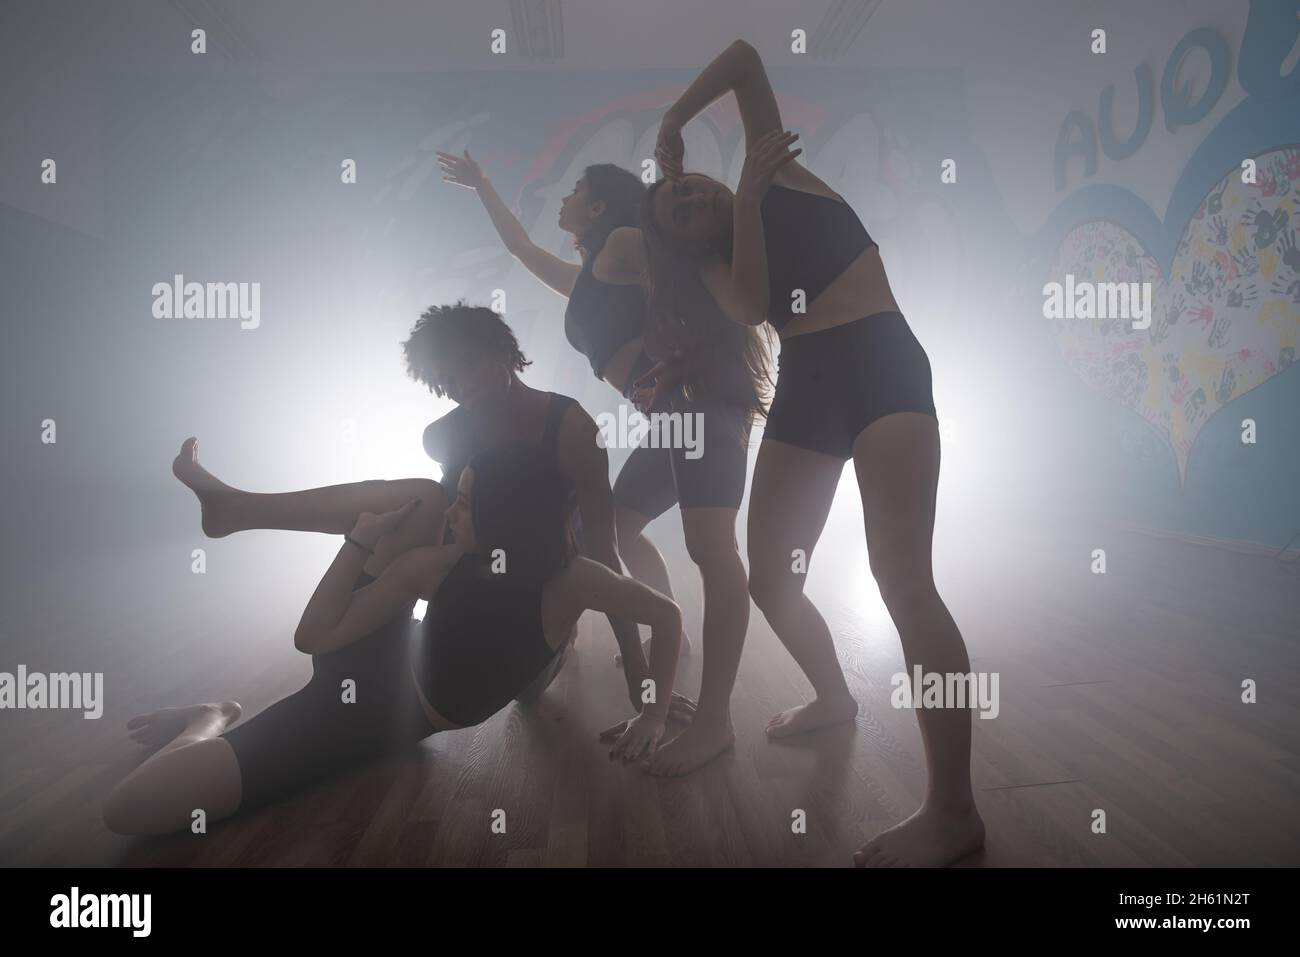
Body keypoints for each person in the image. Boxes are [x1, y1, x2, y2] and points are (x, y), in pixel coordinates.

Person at [638, 39, 984, 866]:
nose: (687, 201)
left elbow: (746, 58)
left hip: (880, 359)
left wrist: (673, 121)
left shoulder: (774, 164)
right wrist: (745, 204)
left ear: (706, 174)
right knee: (772, 580)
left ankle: (954, 810)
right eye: (677, 213)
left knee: (903, 579)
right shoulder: (728, 256)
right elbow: (757, 305)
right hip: (807, 385)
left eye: (686, 190)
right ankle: (834, 695)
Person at [103, 441, 684, 836]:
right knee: (129, 809)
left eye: (463, 504)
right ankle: (209, 715)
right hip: (354, 696)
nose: (451, 513)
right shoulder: (440, 563)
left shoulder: (575, 579)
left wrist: (653, 712)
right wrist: (358, 542)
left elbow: (666, 615)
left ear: (509, 517)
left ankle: (234, 516)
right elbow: (314, 637)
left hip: (408, 702)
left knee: (130, 809)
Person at [431, 165, 768, 774]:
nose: (563, 195)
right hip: (674, 419)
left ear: (599, 205)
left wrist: (687, 359)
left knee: (712, 549)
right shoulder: (590, 271)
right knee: (616, 533)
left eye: (574, 189)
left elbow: (696, 274)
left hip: (699, 408)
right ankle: (673, 638)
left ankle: (713, 721)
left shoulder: (620, 244)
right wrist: (483, 182)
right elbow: (520, 246)